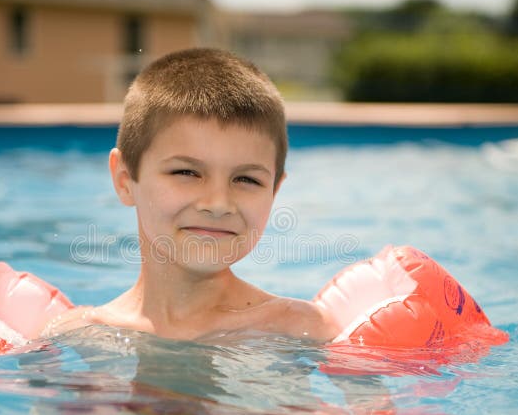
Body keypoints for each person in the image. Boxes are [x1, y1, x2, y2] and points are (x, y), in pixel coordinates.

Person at [44, 48, 339, 342]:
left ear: (274, 190)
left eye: (246, 179)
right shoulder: (79, 337)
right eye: (186, 173)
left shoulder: (298, 331)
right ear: (124, 180)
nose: (218, 204)